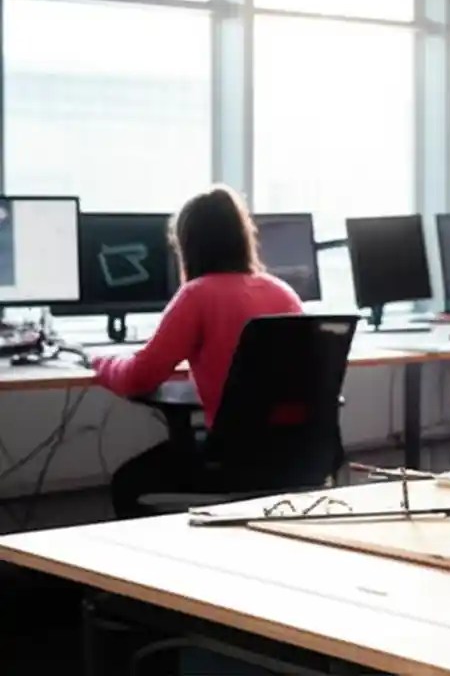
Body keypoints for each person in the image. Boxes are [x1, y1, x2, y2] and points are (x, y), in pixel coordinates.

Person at [93, 186, 304, 518]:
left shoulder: (197, 294)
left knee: (127, 482)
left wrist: (99, 362)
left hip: (232, 458)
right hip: (297, 455)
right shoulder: (284, 293)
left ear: (188, 246)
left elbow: (137, 377)